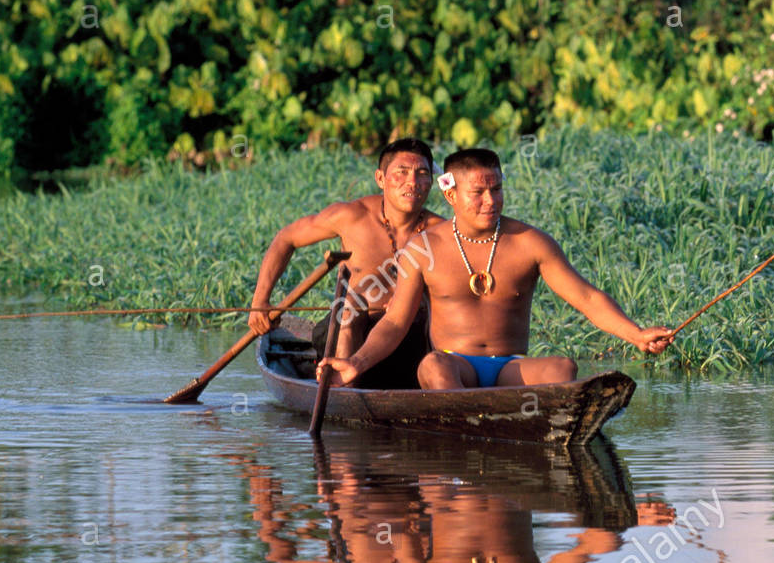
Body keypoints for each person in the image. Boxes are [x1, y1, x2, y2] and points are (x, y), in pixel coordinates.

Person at [318, 147, 673, 389]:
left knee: (563, 368)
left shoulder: (530, 242)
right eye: (478, 193)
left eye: (497, 189)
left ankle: (526, 423)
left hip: (511, 369)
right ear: (451, 194)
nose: (491, 201)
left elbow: (586, 297)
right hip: (455, 366)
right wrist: (357, 363)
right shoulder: (424, 248)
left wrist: (636, 334)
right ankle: (463, 428)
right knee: (432, 367)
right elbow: (394, 322)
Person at [248, 137, 444, 389]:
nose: (412, 182)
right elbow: (286, 239)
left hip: (408, 339)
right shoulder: (352, 216)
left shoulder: (441, 233)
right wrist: (260, 302)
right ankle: (344, 391)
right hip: (346, 332)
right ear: (381, 179)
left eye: (422, 173)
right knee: (350, 308)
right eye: (402, 173)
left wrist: (419, 302)